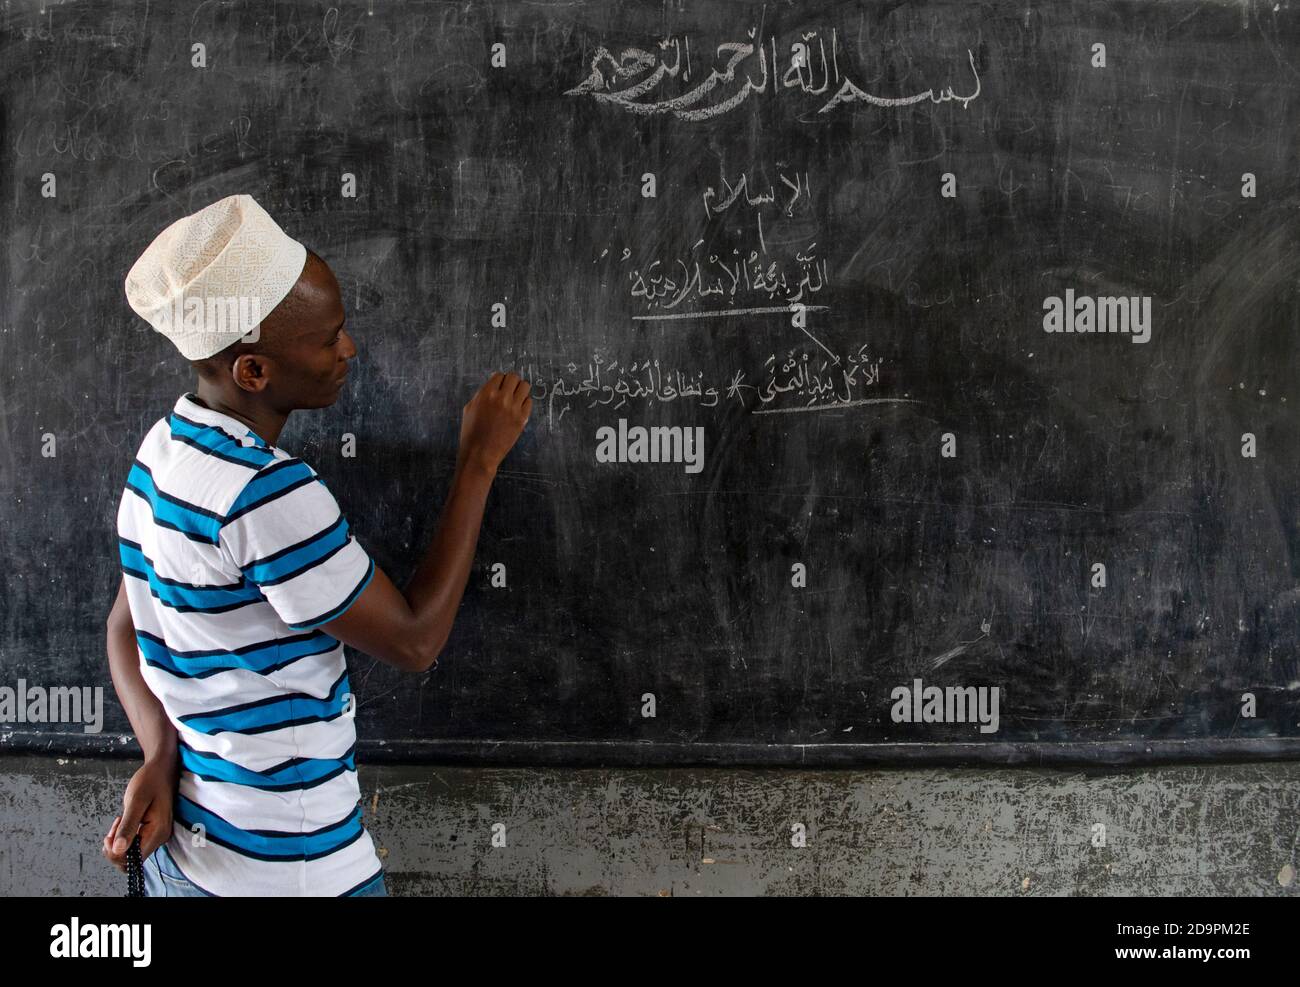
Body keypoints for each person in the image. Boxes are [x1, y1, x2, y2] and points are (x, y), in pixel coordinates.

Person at [101, 194, 531, 895]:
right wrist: (479, 460)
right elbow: (415, 640)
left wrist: (159, 749)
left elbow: (125, 624)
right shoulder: (267, 495)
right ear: (255, 372)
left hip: (186, 865)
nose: (348, 348)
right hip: (295, 873)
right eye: (329, 337)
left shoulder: (162, 455)